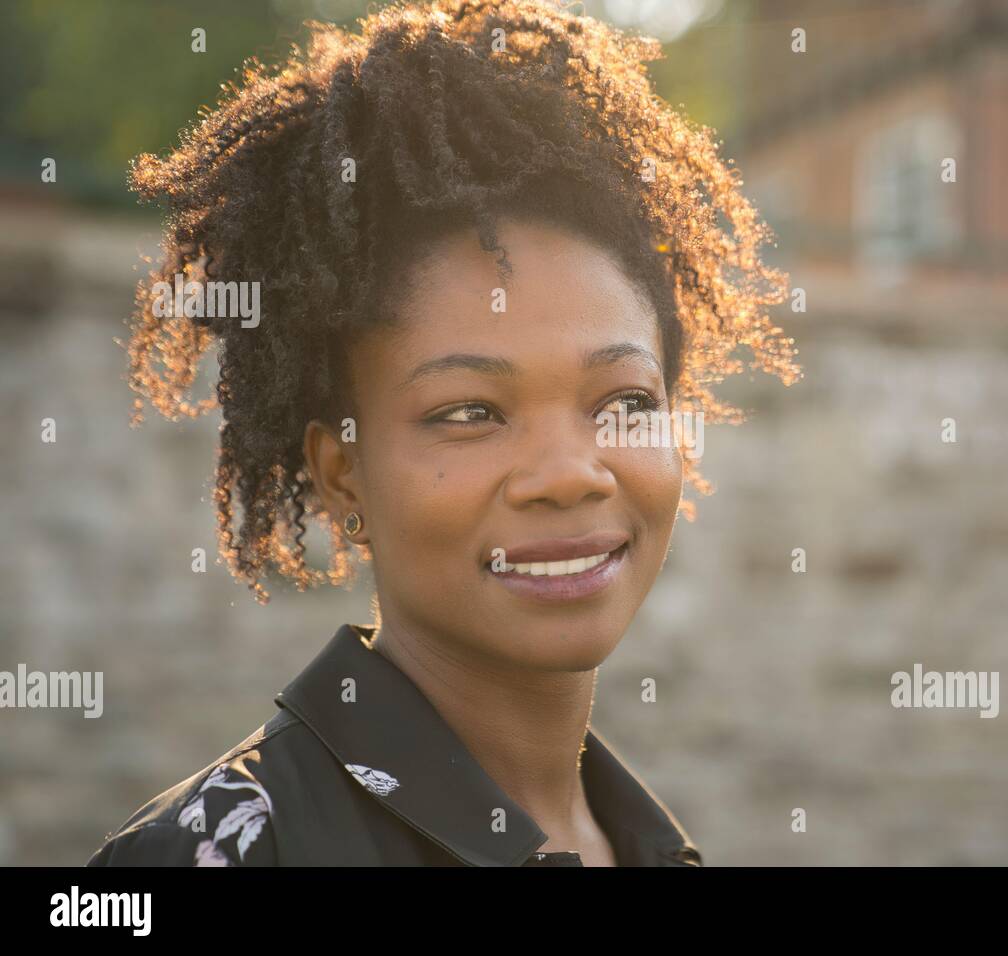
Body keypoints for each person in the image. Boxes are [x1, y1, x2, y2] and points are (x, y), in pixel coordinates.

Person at [88, 0, 799, 866]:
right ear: (342, 473)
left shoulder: (655, 850)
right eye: (470, 413)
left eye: (624, 402)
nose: (569, 474)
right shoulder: (214, 856)